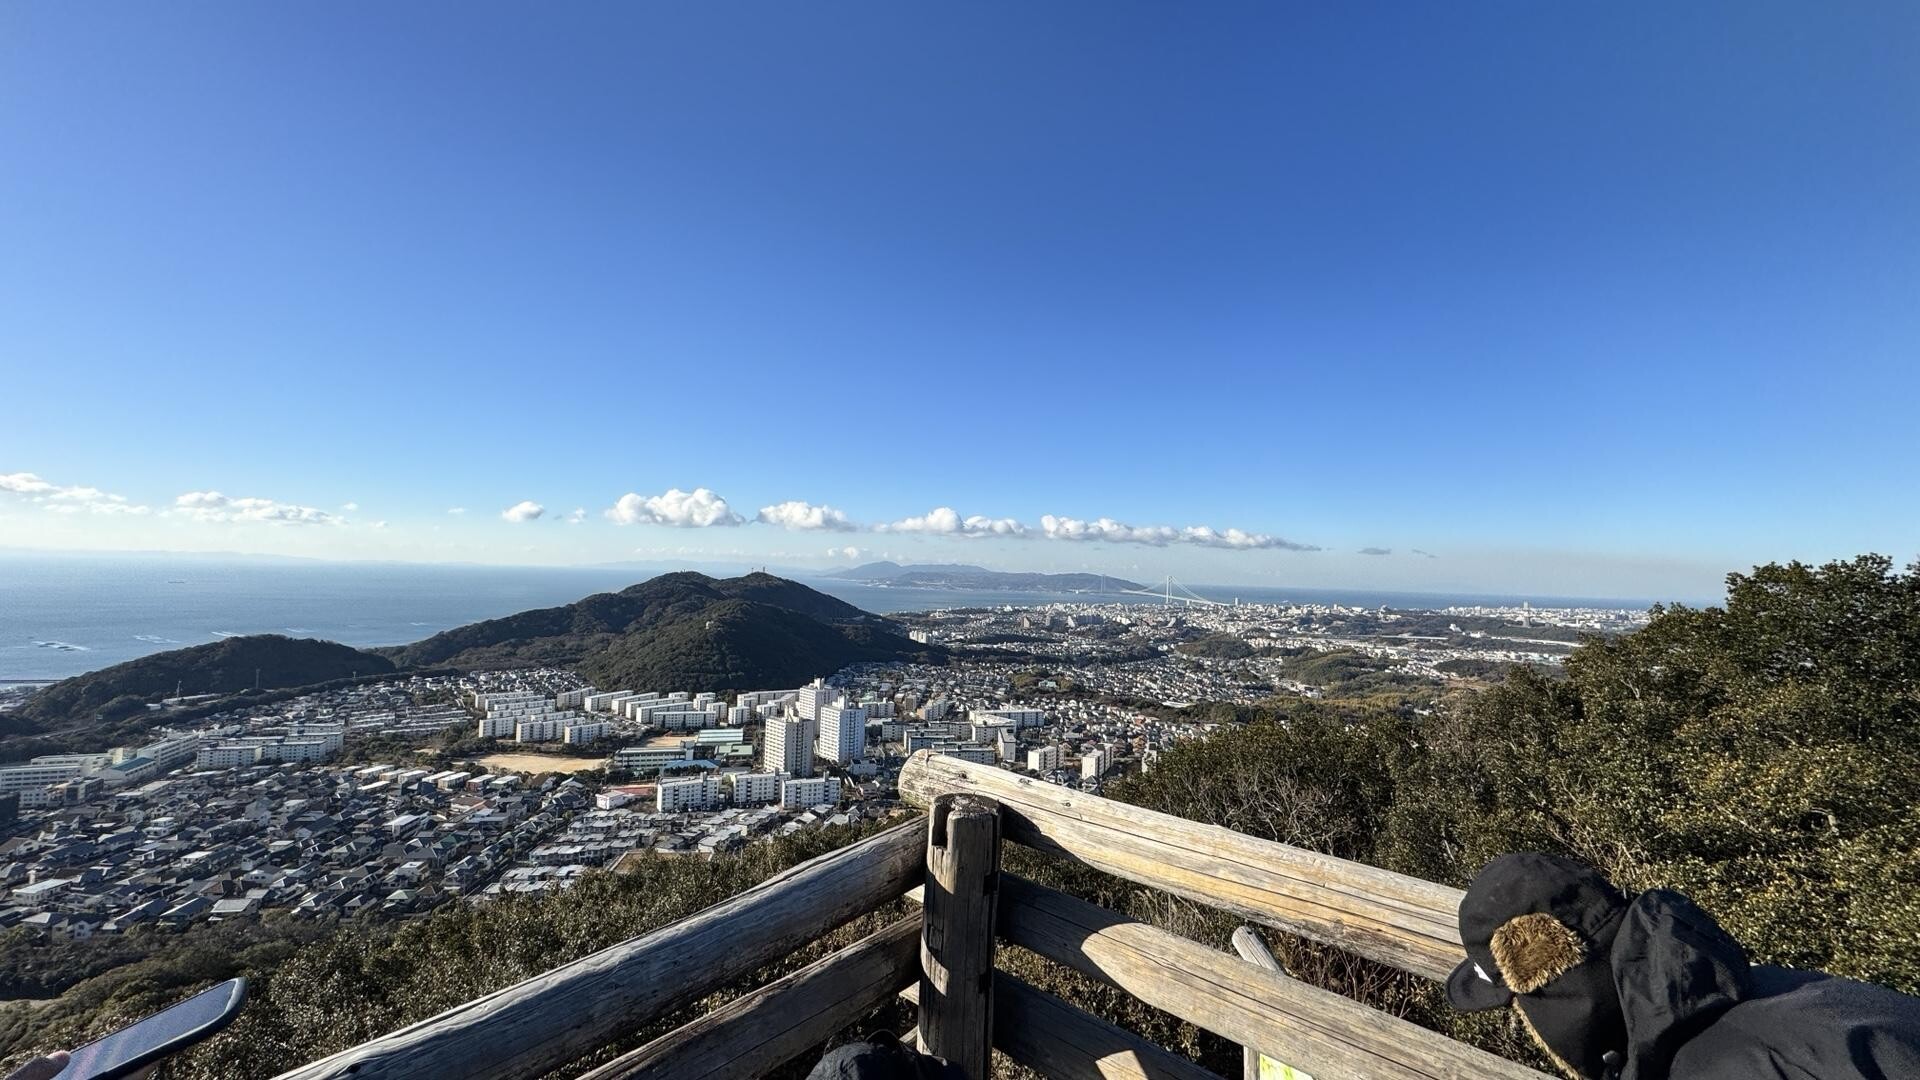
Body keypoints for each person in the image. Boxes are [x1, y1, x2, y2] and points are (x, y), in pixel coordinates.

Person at [1446, 852, 1920, 1080]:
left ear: (1547, 979)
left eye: (1516, 1005)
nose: (1524, 1023)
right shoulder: (1759, 988)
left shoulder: (1720, 1067)